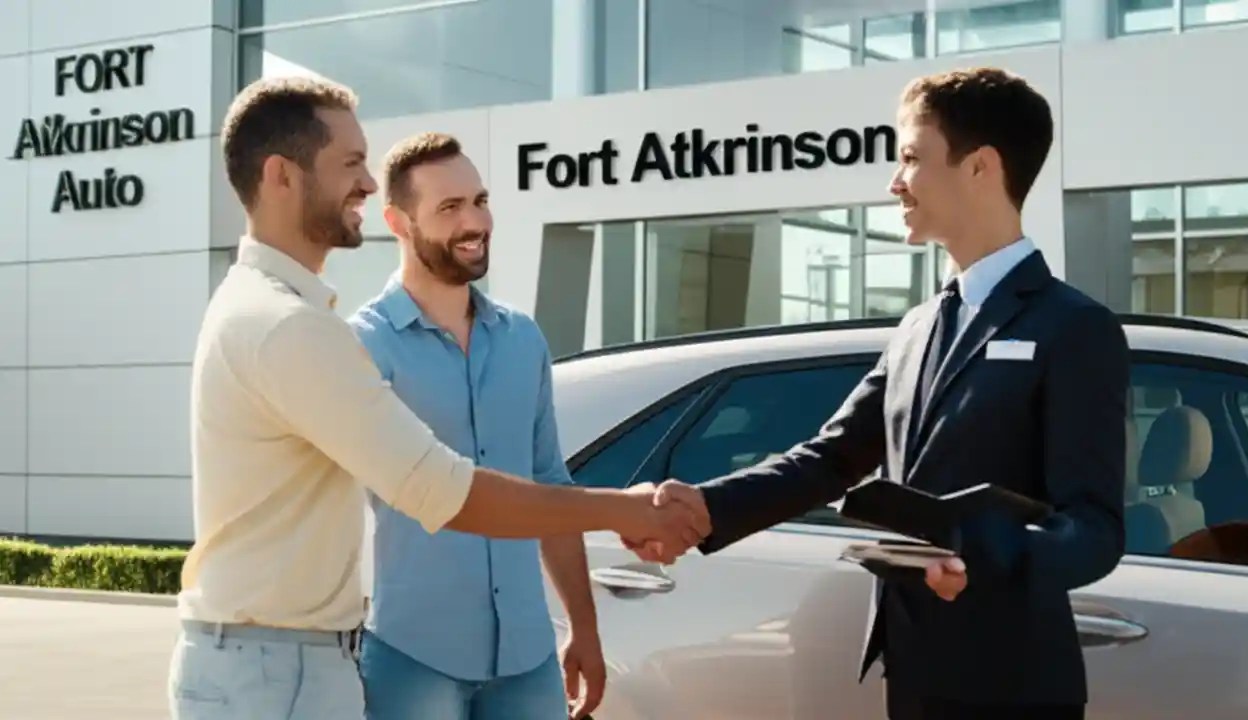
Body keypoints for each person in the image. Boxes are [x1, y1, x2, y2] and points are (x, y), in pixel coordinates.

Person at [170, 76, 708, 720]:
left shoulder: (277, 311)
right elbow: (439, 489)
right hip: (289, 669)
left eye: (479, 200)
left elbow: (541, 477)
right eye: (349, 164)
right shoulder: (298, 328)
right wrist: (630, 511)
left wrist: (583, 621)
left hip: (299, 662)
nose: (366, 184)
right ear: (283, 176)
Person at [632, 67, 1130, 719]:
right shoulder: (918, 325)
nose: (895, 182)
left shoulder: (1075, 328)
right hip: (915, 669)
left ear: (980, 167)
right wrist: (705, 506)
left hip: (1014, 684)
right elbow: (833, 458)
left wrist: (983, 557)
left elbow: (1093, 527)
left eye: (911, 158)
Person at [346, 132, 604, 720]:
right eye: (449, 207)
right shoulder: (364, 345)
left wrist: (584, 628)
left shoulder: (522, 340)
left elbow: (550, 489)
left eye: (480, 200)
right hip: (412, 660)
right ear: (398, 222)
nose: (475, 221)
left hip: (528, 661)